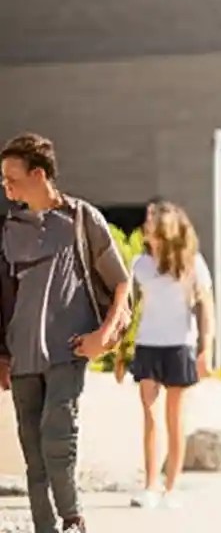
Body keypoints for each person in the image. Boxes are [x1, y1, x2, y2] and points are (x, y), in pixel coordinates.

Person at [0, 133, 132, 533]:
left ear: (38, 174)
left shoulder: (81, 219)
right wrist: (3, 356)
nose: (5, 186)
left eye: (11, 178)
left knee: (57, 440)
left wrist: (103, 337)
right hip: (22, 356)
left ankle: (72, 519)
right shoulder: (9, 228)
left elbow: (122, 285)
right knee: (33, 453)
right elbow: (4, 298)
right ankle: (45, 526)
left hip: (66, 352)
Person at [126, 201, 215, 509]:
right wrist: (124, 349)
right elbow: (130, 310)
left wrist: (207, 349)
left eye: (152, 222)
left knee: (174, 418)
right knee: (150, 416)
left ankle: (171, 488)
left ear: (166, 230)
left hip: (179, 346)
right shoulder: (139, 265)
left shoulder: (193, 264)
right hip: (148, 345)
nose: (146, 226)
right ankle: (150, 486)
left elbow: (207, 308)